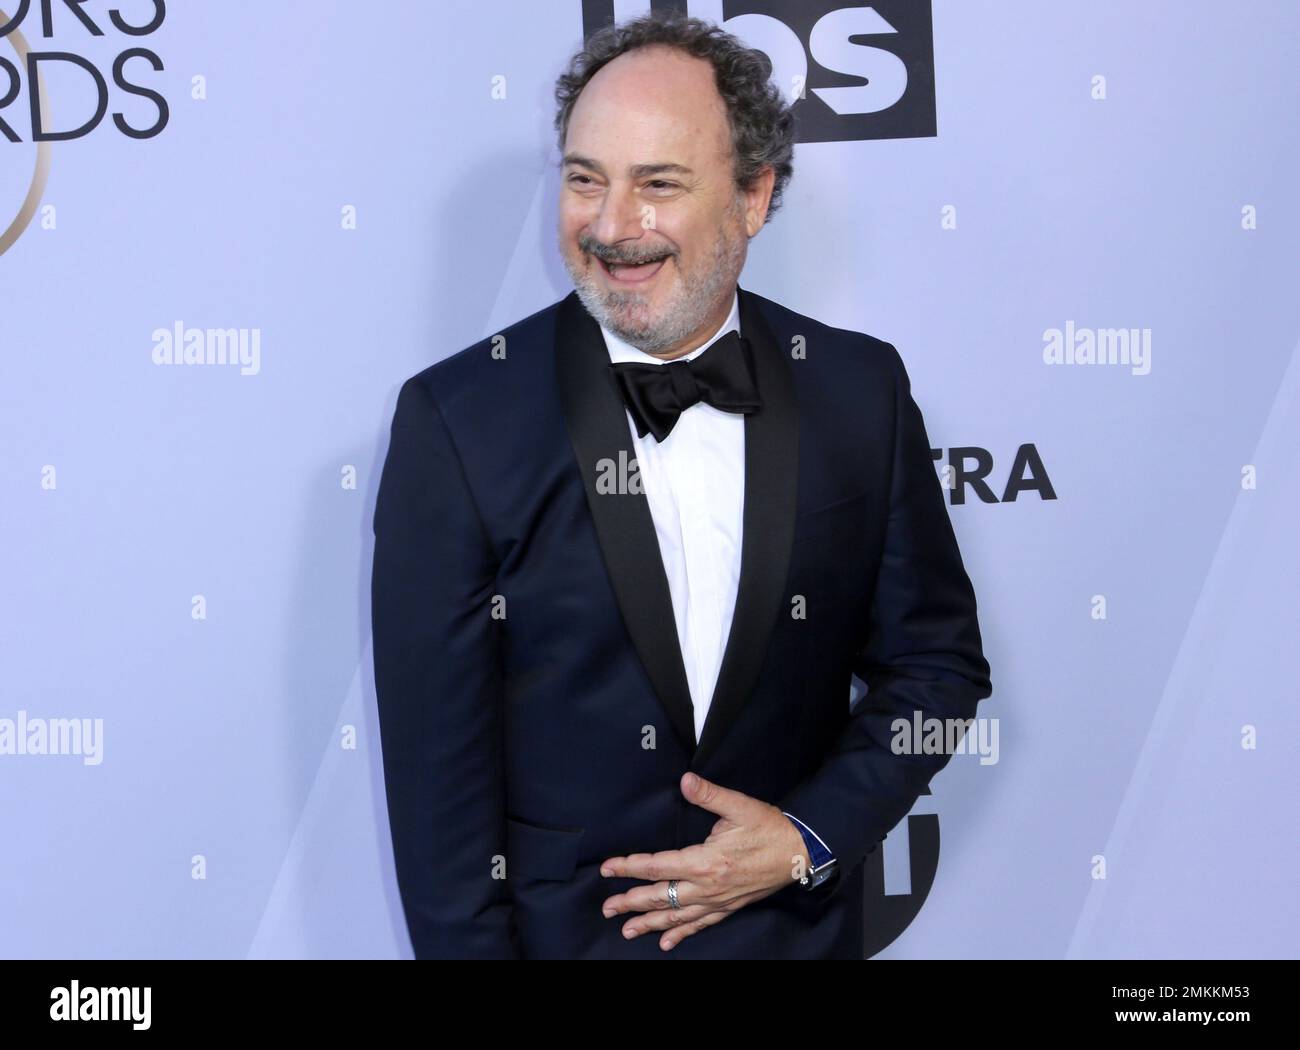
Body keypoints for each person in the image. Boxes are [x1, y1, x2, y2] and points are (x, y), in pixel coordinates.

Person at [370, 9, 991, 960]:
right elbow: (436, 798)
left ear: (752, 196)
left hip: (797, 941)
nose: (613, 227)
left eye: (657, 184)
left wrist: (806, 837)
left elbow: (936, 671)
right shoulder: (456, 422)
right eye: (586, 180)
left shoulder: (858, 389)